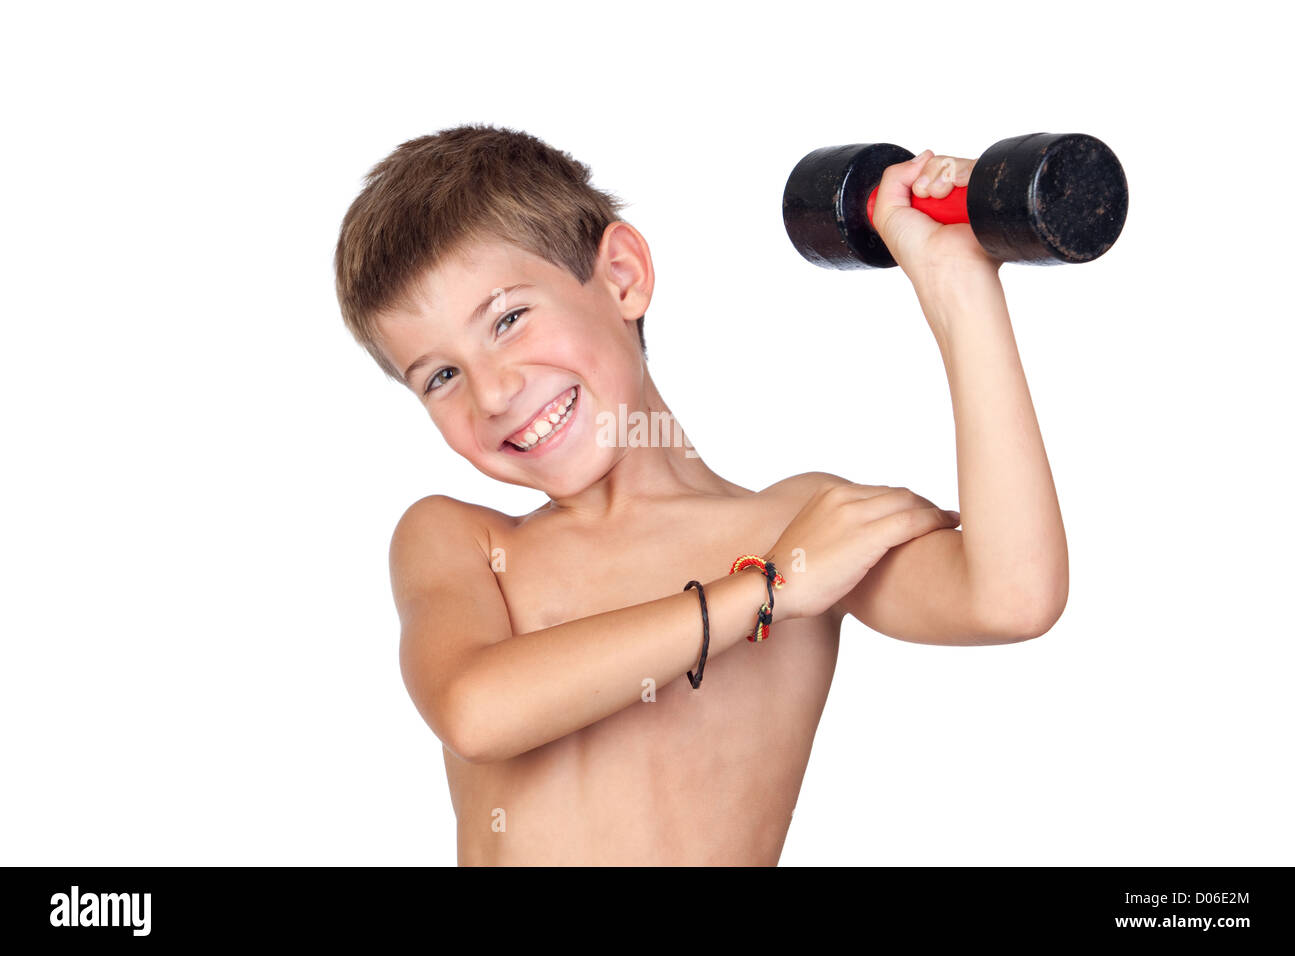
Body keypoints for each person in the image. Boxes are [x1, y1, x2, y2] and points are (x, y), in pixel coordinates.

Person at [333, 124, 1068, 865]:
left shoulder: (796, 524)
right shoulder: (465, 542)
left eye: (509, 320)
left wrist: (956, 286)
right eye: (440, 376)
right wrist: (768, 589)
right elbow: (476, 711)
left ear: (622, 276)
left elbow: (1011, 596)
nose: (492, 394)